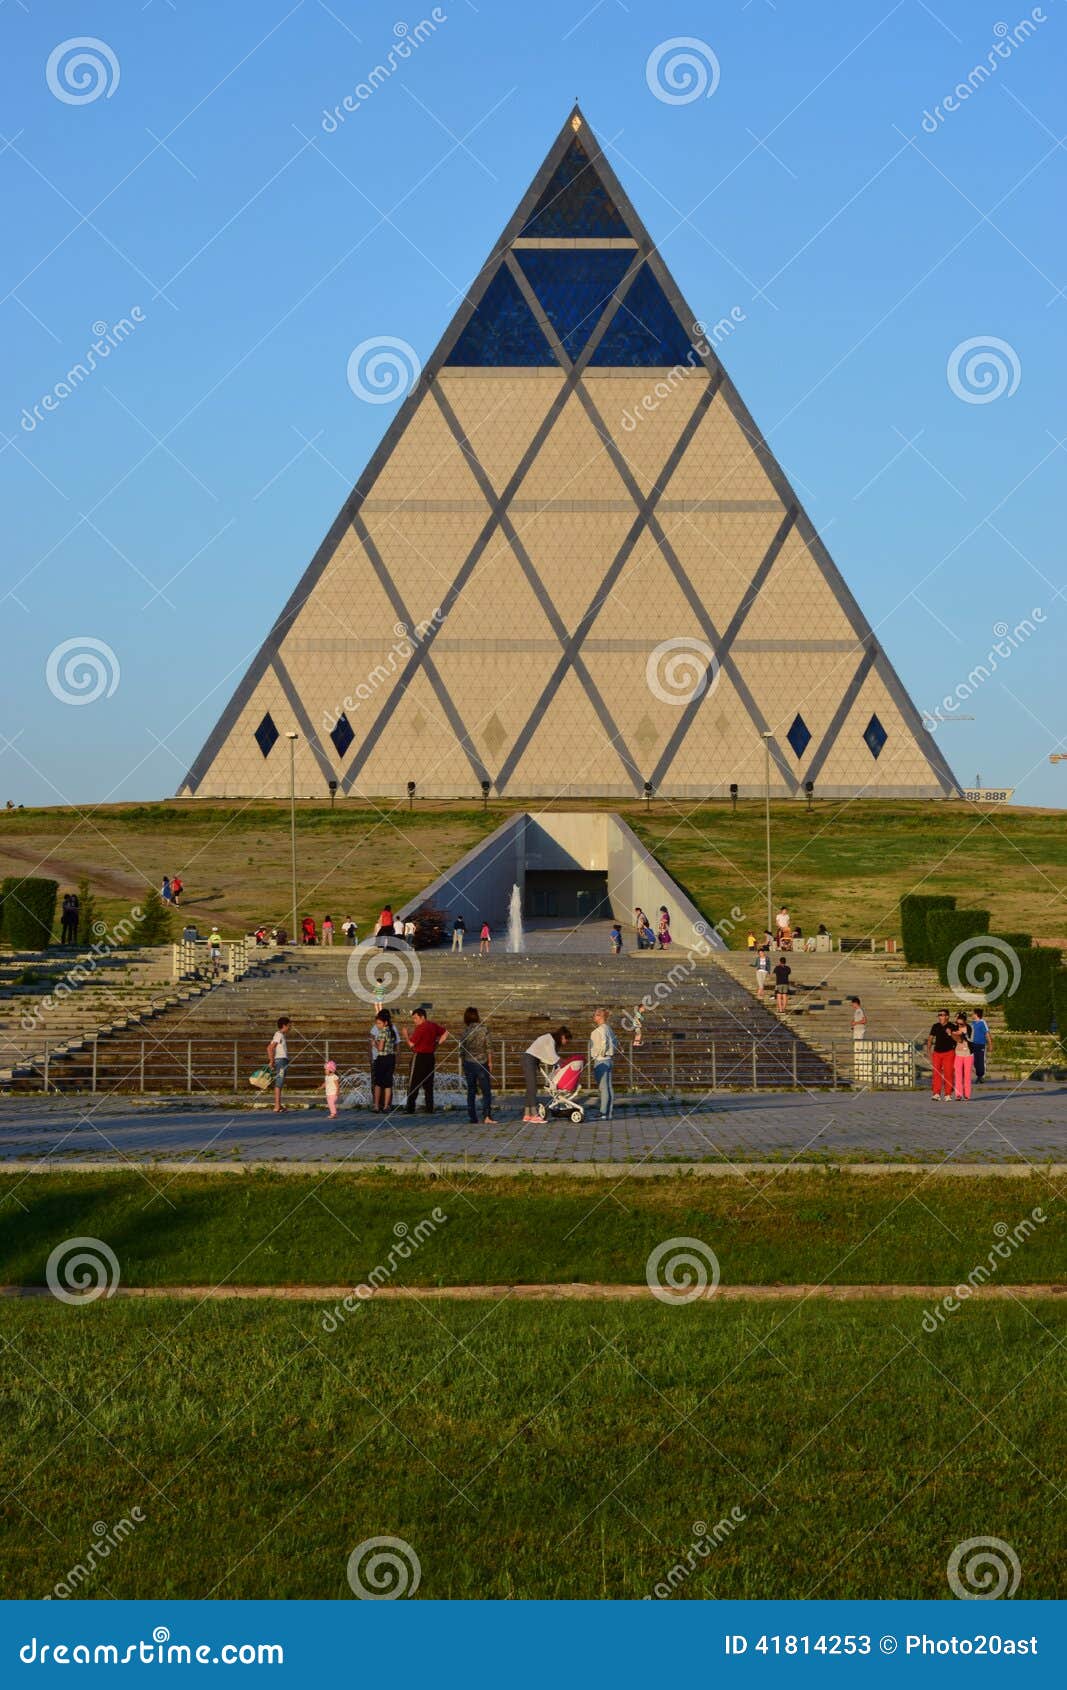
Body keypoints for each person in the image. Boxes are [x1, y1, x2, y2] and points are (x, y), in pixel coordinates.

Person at [404, 1006, 448, 1113]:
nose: (414, 1021)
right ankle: (429, 1107)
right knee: (428, 1083)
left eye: (415, 1018)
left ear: (422, 1017)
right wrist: (437, 1044)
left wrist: (405, 1035)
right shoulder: (433, 1025)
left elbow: (411, 1044)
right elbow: (446, 1033)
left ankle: (410, 1108)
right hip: (430, 1057)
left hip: (419, 1057)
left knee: (413, 1083)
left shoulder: (420, 1028)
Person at [522, 1026, 570, 1123]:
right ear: (562, 1036)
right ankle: (534, 1115)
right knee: (532, 1088)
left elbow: (552, 1057)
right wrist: (565, 1062)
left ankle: (527, 1115)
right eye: (566, 1039)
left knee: (530, 1088)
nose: (566, 1042)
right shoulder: (550, 1039)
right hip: (529, 1060)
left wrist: (561, 1062)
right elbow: (553, 1056)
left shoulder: (551, 1039)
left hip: (531, 1060)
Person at [458, 1006, 497, 1124]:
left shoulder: (465, 1031)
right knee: (486, 1091)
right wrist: (490, 1062)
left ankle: (472, 1117)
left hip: (469, 1063)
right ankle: (487, 1116)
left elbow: (461, 1050)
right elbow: (489, 1047)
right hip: (482, 1062)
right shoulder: (484, 1029)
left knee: (471, 1091)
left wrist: (464, 1063)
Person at [589, 1008, 618, 1121]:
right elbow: (615, 1042)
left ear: (600, 1017)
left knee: (603, 1088)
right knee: (609, 1087)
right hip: (609, 1060)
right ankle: (609, 1111)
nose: (593, 1017)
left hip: (601, 1061)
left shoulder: (599, 1030)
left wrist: (600, 1053)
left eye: (595, 1015)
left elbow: (604, 1042)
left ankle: (603, 1112)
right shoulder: (609, 1029)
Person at [370, 1008, 398, 1112]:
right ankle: (386, 1106)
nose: (377, 1025)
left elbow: (380, 1048)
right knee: (388, 1084)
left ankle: (376, 1106)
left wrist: (374, 1043)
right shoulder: (391, 1031)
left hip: (382, 1059)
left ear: (385, 1023)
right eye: (377, 1023)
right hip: (391, 1058)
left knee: (378, 1083)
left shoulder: (382, 1032)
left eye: (379, 1023)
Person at [926, 1009, 957, 1101]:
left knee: (948, 1073)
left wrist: (950, 1033)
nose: (940, 1017)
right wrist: (928, 1050)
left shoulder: (953, 1026)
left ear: (947, 1016)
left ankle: (948, 1094)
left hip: (949, 1052)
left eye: (942, 1015)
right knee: (936, 1073)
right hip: (937, 1053)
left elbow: (958, 1039)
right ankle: (936, 1093)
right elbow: (930, 1038)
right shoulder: (935, 1026)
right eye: (939, 1015)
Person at [267, 1015, 291, 1114]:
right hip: (280, 1062)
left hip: (282, 1061)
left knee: (280, 1082)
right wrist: (271, 1061)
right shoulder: (279, 1034)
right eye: (289, 1025)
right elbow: (270, 1048)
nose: (290, 1028)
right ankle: (277, 1106)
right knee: (279, 1082)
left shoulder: (280, 1035)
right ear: (284, 1025)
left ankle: (278, 1105)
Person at [953, 1015, 974, 1102]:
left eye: (961, 1024)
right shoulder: (955, 1028)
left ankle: (967, 1095)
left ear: (965, 1022)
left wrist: (963, 1035)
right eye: (957, 1023)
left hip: (968, 1054)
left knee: (967, 1075)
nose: (959, 1025)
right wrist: (954, 1034)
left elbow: (971, 1040)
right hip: (958, 1053)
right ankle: (958, 1095)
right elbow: (956, 1040)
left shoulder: (970, 1028)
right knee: (958, 1075)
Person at [970, 1009, 991, 1082]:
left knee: (981, 1060)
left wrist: (990, 1044)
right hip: (973, 1045)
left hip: (981, 1044)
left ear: (976, 1014)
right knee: (975, 1061)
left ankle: (981, 1076)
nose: (972, 1015)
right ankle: (979, 1075)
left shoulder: (982, 1022)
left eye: (973, 1014)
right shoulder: (972, 1023)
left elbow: (987, 1033)